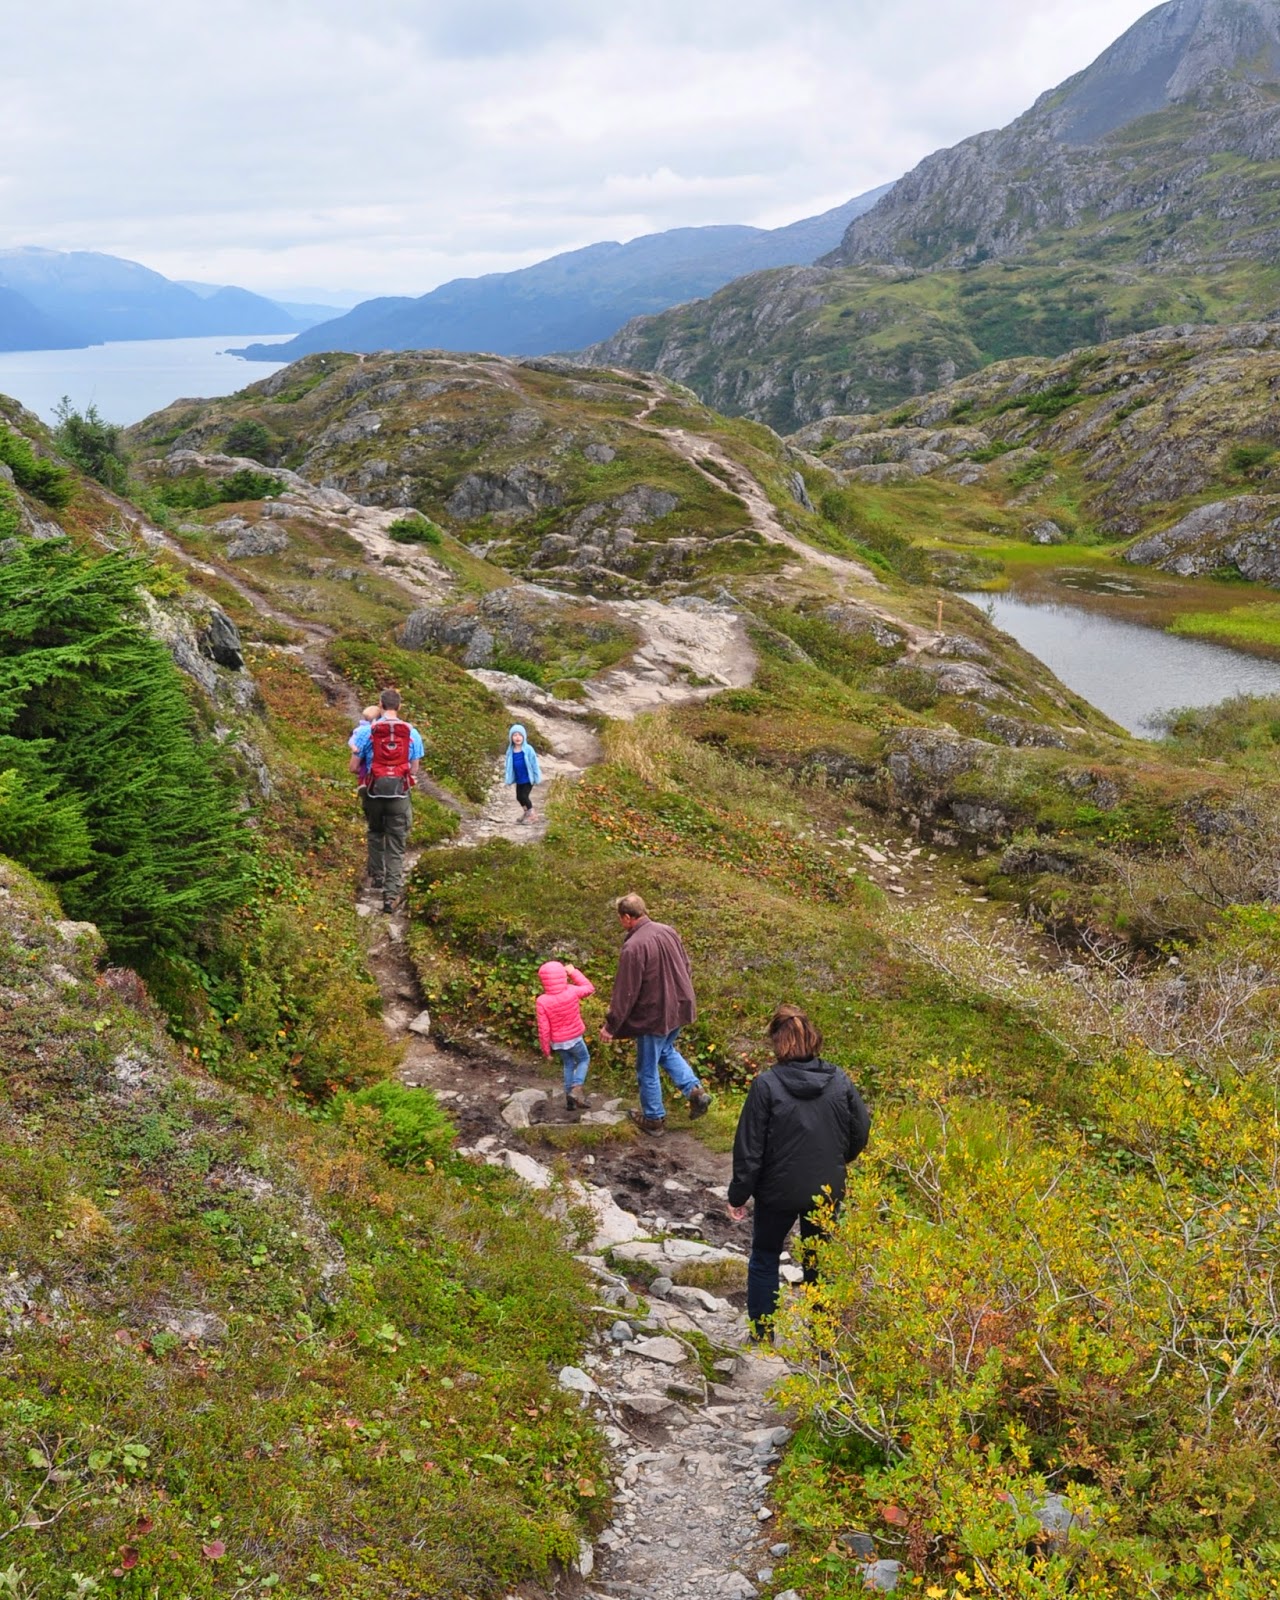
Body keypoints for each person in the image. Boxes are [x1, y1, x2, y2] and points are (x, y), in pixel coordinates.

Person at [727, 1005, 871, 1339]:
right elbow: (860, 1130)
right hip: (826, 1190)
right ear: (812, 1037)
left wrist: (739, 1194)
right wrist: (838, 1160)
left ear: (777, 1042)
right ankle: (822, 1340)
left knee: (765, 1256)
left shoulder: (766, 1086)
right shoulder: (839, 1081)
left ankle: (762, 1334)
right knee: (819, 1263)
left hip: (777, 1192)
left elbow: (749, 1148)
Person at [601, 893, 711, 1135]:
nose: (620, 921)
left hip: (655, 1015)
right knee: (666, 1050)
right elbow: (686, 965)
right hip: (680, 1006)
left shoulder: (633, 947)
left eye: (620, 917)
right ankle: (695, 1091)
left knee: (647, 1066)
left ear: (628, 917)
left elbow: (626, 992)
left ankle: (653, 1118)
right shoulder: (667, 930)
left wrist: (611, 1026)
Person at [347, 688, 424, 913]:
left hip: (373, 793)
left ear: (380, 705)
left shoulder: (367, 731)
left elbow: (353, 767)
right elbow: (414, 769)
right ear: (399, 706)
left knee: (375, 832)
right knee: (396, 844)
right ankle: (390, 897)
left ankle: (377, 877)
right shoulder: (412, 732)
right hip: (399, 795)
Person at [536, 959, 595, 1111]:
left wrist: (546, 1050)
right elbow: (589, 988)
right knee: (584, 1059)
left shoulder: (542, 1001)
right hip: (575, 1038)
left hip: (558, 1042)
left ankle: (570, 1102)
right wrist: (573, 971)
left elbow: (543, 1028)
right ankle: (577, 1087)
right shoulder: (571, 991)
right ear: (563, 975)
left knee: (568, 1065)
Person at [505, 724, 542, 824]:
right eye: (515, 735)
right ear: (511, 738)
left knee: (524, 796)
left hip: (528, 778)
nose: (517, 737)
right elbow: (508, 765)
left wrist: (536, 776)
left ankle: (532, 815)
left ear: (524, 737)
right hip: (519, 778)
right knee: (518, 797)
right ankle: (526, 813)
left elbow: (534, 763)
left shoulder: (528, 749)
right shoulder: (510, 751)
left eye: (520, 735)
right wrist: (508, 777)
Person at [348, 705, 382, 792]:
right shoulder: (365, 729)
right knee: (365, 766)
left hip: (366, 759)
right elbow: (352, 740)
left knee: (365, 767)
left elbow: (351, 740)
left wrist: (354, 747)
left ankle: (364, 783)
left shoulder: (361, 728)